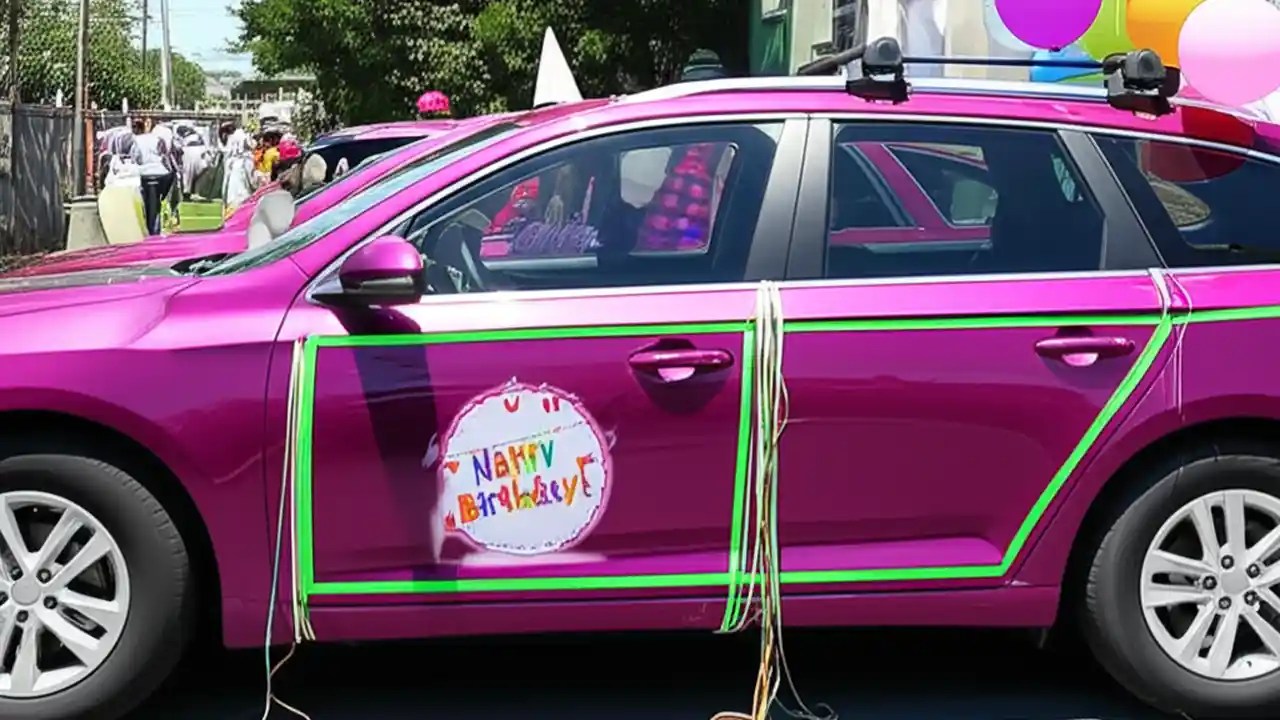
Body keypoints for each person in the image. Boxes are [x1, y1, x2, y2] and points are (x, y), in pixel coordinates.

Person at [130, 118, 176, 235]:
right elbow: (165, 155)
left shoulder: (136, 140)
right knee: (163, 197)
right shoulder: (158, 139)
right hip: (162, 174)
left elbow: (135, 158)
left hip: (144, 175)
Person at [220, 121, 256, 216]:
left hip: (233, 199)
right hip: (242, 198)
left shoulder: (231, 159)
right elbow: (252, 181)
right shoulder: (245, 159)